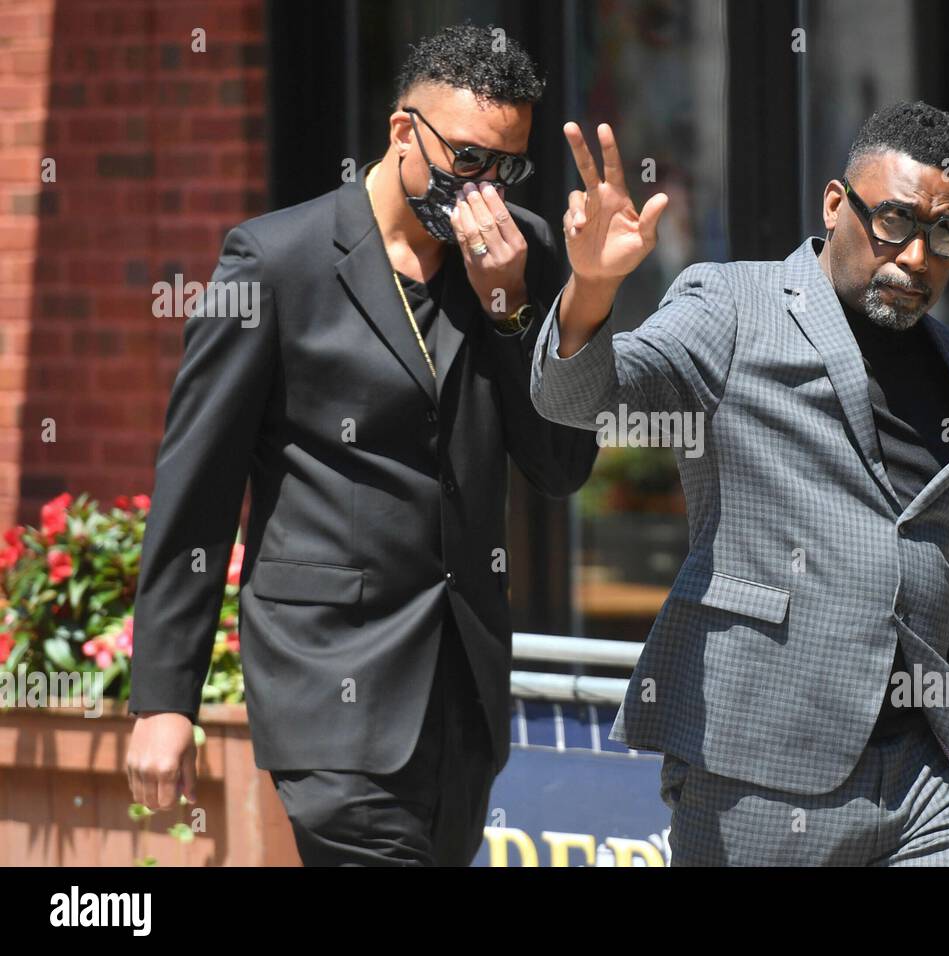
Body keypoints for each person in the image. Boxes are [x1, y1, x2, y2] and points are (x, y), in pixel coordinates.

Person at [531, 101, 949, 866]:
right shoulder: (733, 305)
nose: (917, 257)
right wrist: (590, 290)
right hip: (758, 766)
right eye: (895, 223)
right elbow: (582, 399)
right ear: (836, 205)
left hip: (926, 778)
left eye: (944, 234)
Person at [126, 23, 598, 866]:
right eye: (465, 158)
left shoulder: (518, 257)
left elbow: (559, 469)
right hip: (330, 688)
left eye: (505, 166)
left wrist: (510, 312)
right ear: (399, 131)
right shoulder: (274, 262)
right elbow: (196, 485)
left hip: (462, 691)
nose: (481, 188)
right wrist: (165, 699)